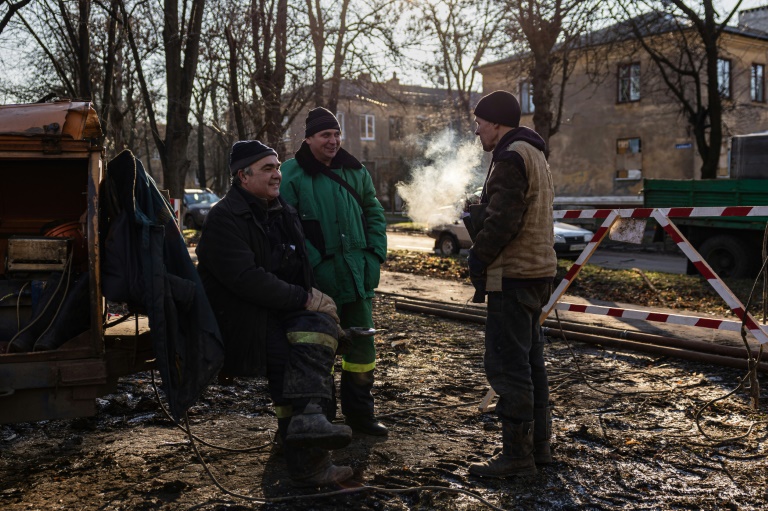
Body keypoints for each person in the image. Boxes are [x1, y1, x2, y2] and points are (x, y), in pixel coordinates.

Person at [196, 140, 354, 486]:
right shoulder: (223, 219)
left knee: (319, 331)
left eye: (278, 167)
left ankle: (300, 431)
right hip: (240, 320)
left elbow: (299, 270)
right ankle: (310, 463)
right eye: (268, 168)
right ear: (242, 176)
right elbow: (246, 280)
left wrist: (317, 304)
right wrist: (304, 299)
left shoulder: (281, 210)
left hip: (275, 310)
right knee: (293, 357)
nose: (277, 174)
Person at [280, 107, 389, 436]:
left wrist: (374, 254)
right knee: (317, 347)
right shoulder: (291, 174)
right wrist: (314, 265)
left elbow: (374, 212)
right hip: (318, 282)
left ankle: (361, 415)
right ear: (309, 138)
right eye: (325, 135)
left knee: (363, 349)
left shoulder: (356, 171)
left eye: (336, 134)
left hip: (357, 275)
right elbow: (289, 225)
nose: (333, 140)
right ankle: (318, 418)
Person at [465, 90, 557, 478]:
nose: (477, 132)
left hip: (513, 275)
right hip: (538, 273)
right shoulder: (533, 152)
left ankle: (516, 458)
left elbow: (503, 220)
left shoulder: (508, 156)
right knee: (531, 363)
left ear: (497, 124)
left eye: (480, 124)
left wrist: (477, 257)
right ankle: (539, 449)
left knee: (507, 366)